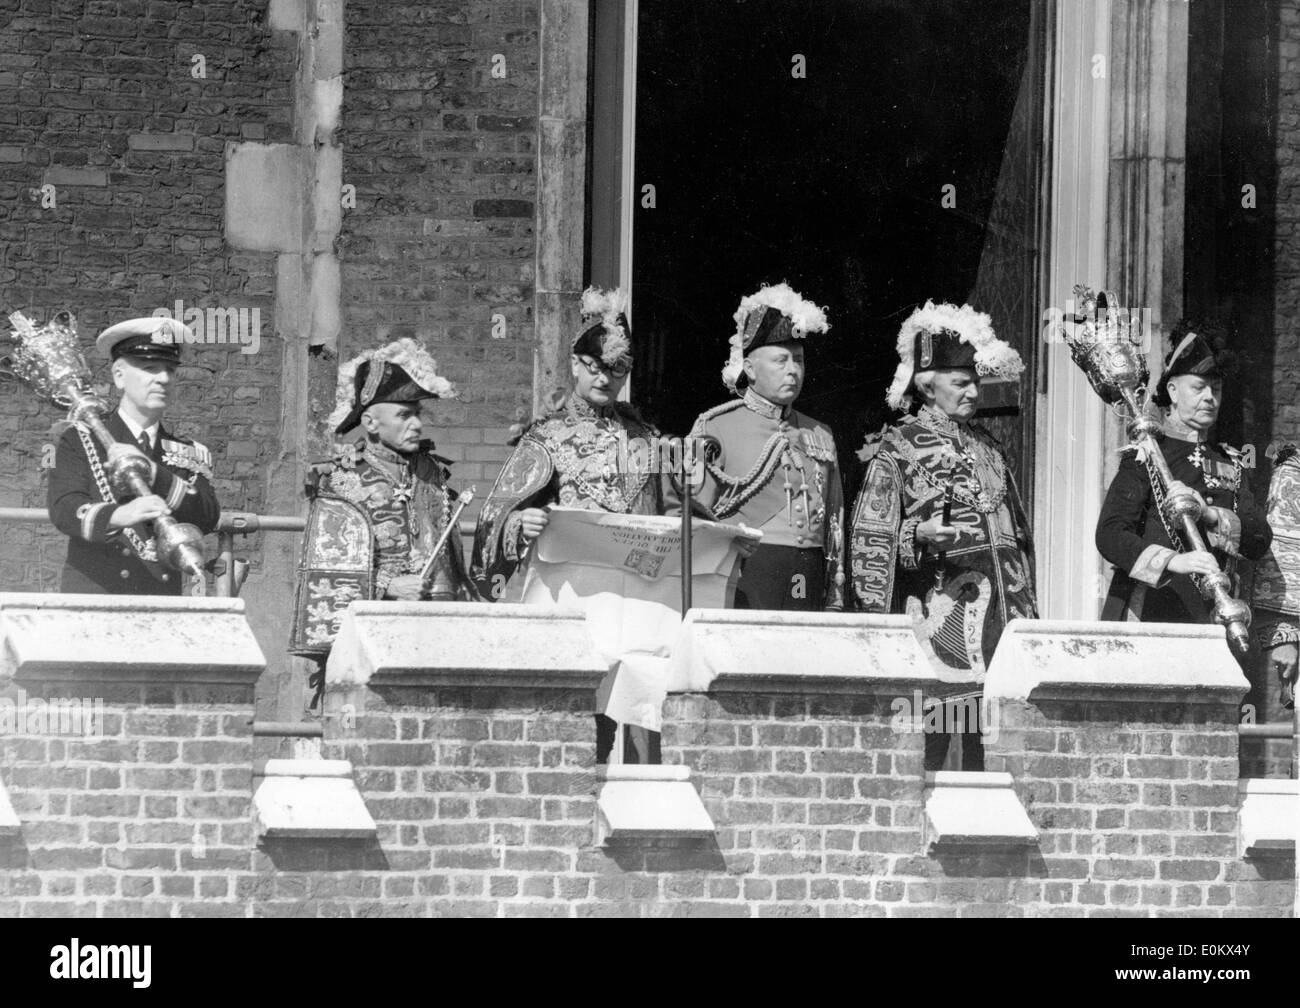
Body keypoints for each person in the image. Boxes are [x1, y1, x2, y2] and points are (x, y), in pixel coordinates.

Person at [471, 287, 692, 763]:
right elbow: (495, 518)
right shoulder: (545, 437)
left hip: (637, 597)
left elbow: (674, 514)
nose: (605, 379)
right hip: (575, 600)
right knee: (582, 724)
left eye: (617, 370)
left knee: (642, 715)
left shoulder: (645, 437)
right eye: (595, 367)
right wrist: (522, 523)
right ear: (576, 363)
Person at [849, 301, 1036, 771]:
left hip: (1003, 623)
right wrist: (917, 534)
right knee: (928, 753)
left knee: (992, 756)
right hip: (939, 619)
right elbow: (868, 542)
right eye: (961, 382)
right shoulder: (898, 447)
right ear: (927, 386)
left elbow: (1020, 539)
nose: (973, 390)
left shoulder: (990, 449)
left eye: (975, 380)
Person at [1095, 323, 1271, 628]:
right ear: (1173, 391)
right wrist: (1174, 561)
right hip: (1153, 609)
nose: (1209, 398)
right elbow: (1109, 534)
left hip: (1216, 616)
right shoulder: (1147, 454)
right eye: (1198, 387)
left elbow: (1259, 538)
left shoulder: (1231, 460)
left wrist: (1211, 514)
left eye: (1215, 389)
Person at [688, 282, 843, 611]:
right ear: (749, 369)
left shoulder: (820, 432)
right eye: (781, 360)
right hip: (748, 570)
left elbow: (834, 519)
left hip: (809, 570)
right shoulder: (714, 428)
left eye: (798, 360)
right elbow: (691, 516)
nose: (793, 370)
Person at [47, 317, 220, 595]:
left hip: (159, 598)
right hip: (93, 598)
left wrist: (155, 474)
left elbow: (207, 516)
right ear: (119, 376)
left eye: (170, 370)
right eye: (150, 368)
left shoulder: (189, 452)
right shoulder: (77, 439)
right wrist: (120, 514)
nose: (163, 379)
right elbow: (64, 508)